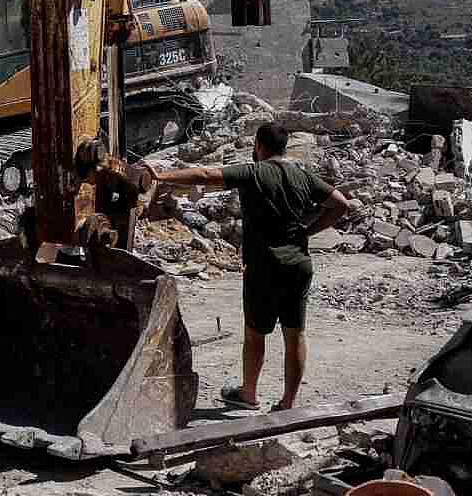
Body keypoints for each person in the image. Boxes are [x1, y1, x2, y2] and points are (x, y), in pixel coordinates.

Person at [142, 122, 350, 411]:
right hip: (299, 265)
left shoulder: (253, 172)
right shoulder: (302, 175)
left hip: (264, 266)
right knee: (295, 334)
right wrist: (308, 231)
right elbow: (341, 204)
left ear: (259, 146)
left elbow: (205, 174)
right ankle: (288, 403)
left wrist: (161, 175)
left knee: (255, 333)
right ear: (284, 147)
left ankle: (249, 394)